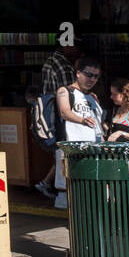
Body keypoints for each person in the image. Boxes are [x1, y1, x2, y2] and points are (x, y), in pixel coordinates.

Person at [53, 55, 106, 209]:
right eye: (88, 75)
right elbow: (64, 112)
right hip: (72, 148)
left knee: (91, 187)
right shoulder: (65, 91)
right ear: (78, 73)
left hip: (94, 147)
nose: (92, 79)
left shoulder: (93, 97)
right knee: (73, 187)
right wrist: (82, 120)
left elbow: (99, 123)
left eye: (96, 76)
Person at [34, 45, 81, 200]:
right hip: (62, 113)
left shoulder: (50, 61)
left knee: (59, 152)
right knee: (64, 151)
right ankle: (63, 193)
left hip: (51, 111)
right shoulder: (65, 66)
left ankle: (48, 184)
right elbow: (72, 92)